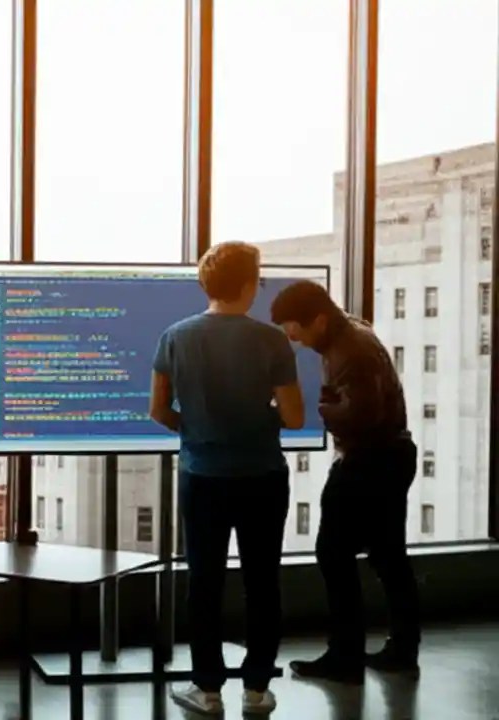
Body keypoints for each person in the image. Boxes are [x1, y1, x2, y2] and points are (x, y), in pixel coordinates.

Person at [149, 241, 304, 717]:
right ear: (249, 284)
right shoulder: (271, 340)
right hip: (262, 477)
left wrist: (195, 430)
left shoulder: (175, 336)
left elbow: (158, 411)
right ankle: (257, 690)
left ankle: (207, 689)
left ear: (206, 284)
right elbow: (295, 417)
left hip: (202, 478)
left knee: (205, 582)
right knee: (262, 583)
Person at [271, 280, 421, 684]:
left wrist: (323, 406)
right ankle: (403, 649)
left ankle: (345, 656)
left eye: (294, 329)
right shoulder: (355, 333)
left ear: (318, 319)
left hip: (368, 460)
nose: (293, 339)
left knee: (333, 553)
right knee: (389, 557)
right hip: (392, 456)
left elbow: (361, 416)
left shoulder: (347, 350)